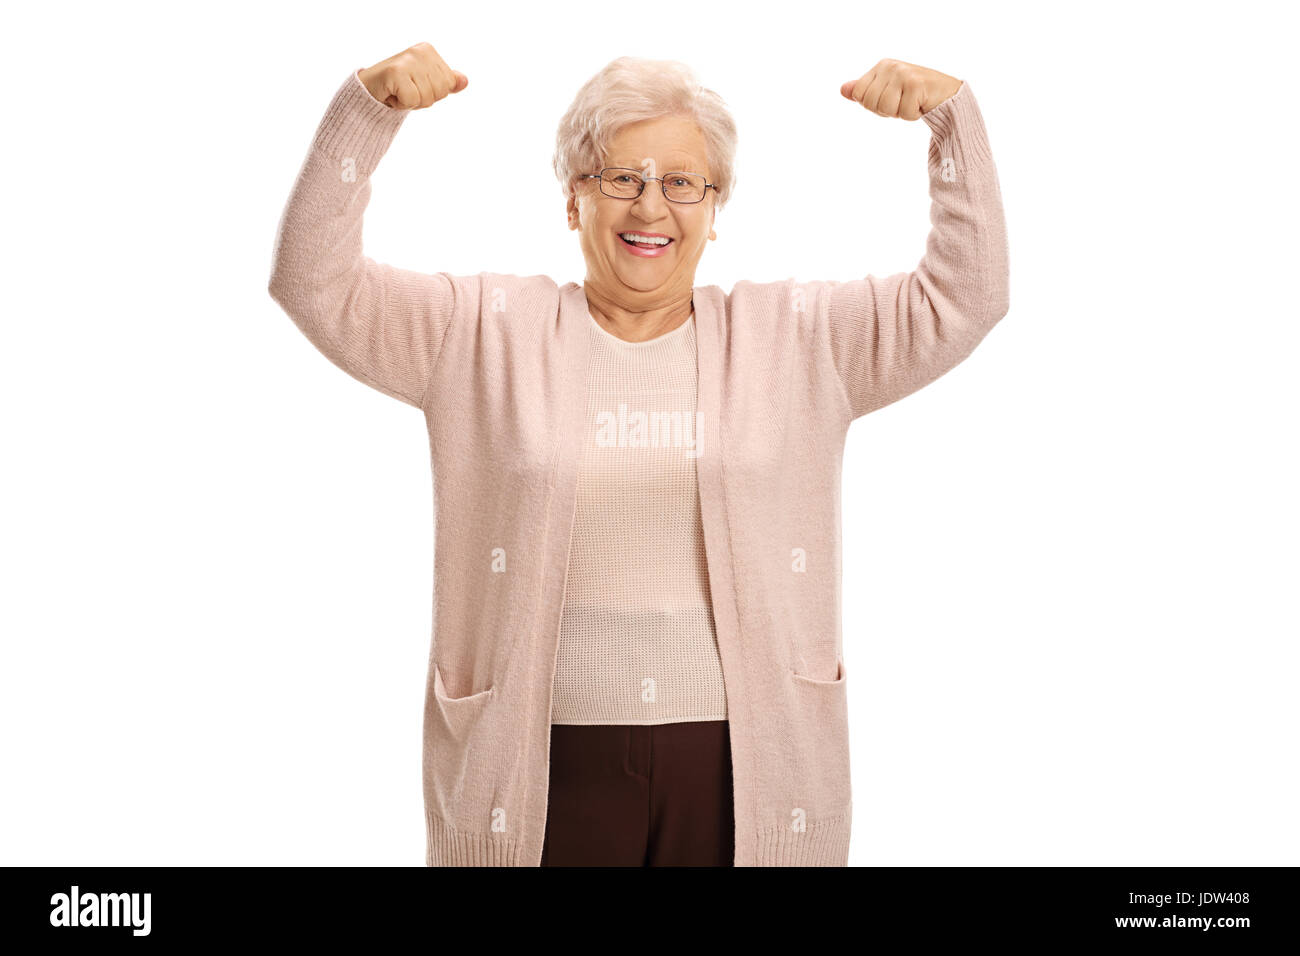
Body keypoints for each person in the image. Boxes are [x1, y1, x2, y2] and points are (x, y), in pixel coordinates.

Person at [267, 42, 1009, 866]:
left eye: (681, 182)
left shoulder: (800, 339)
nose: (650, 206)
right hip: (542, 775)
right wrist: (366, 114)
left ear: (716, 205)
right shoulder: (477, 330)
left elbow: (967, 298)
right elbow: (311, 281)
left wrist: (953, 126)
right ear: (573, 199)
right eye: (619, 177)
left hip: (739, 770)